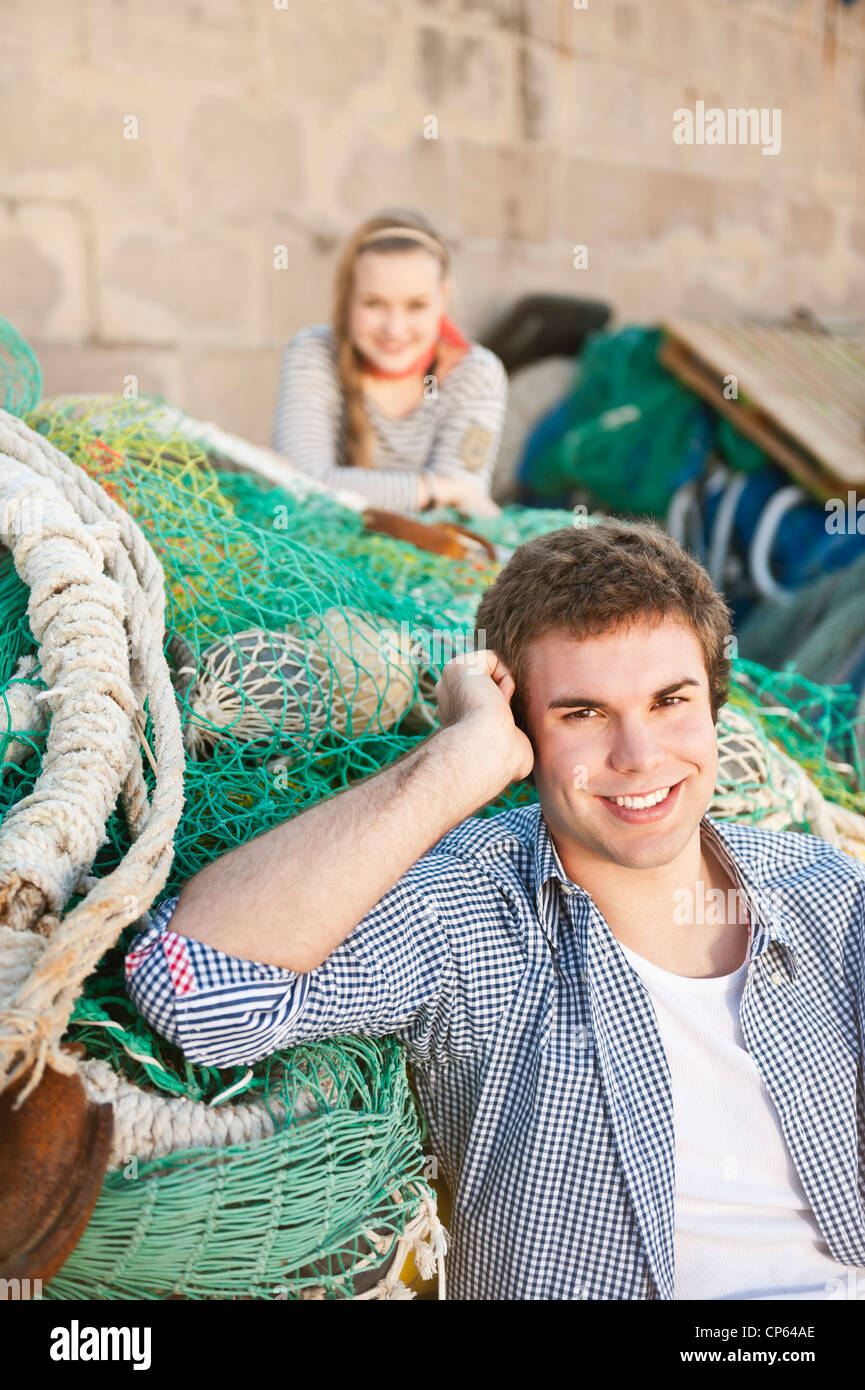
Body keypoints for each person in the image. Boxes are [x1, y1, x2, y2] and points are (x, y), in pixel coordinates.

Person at [125, 520, 865, 1301]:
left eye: (669, 700)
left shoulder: (819, 889)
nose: (639, 756)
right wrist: (462, 757)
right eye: (582, 714)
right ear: (524, 730)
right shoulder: (471, 910)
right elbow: (194, 988)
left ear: (713, 704)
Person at [270, 211, 506, 518]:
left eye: (416, 305)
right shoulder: (313, 353)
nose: (394, 329)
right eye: (374, 304)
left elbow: (457, 512)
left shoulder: (476, 373)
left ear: (442, 299)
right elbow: (300, 486)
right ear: (348, 300)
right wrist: (434, 490)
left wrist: (454, 493)